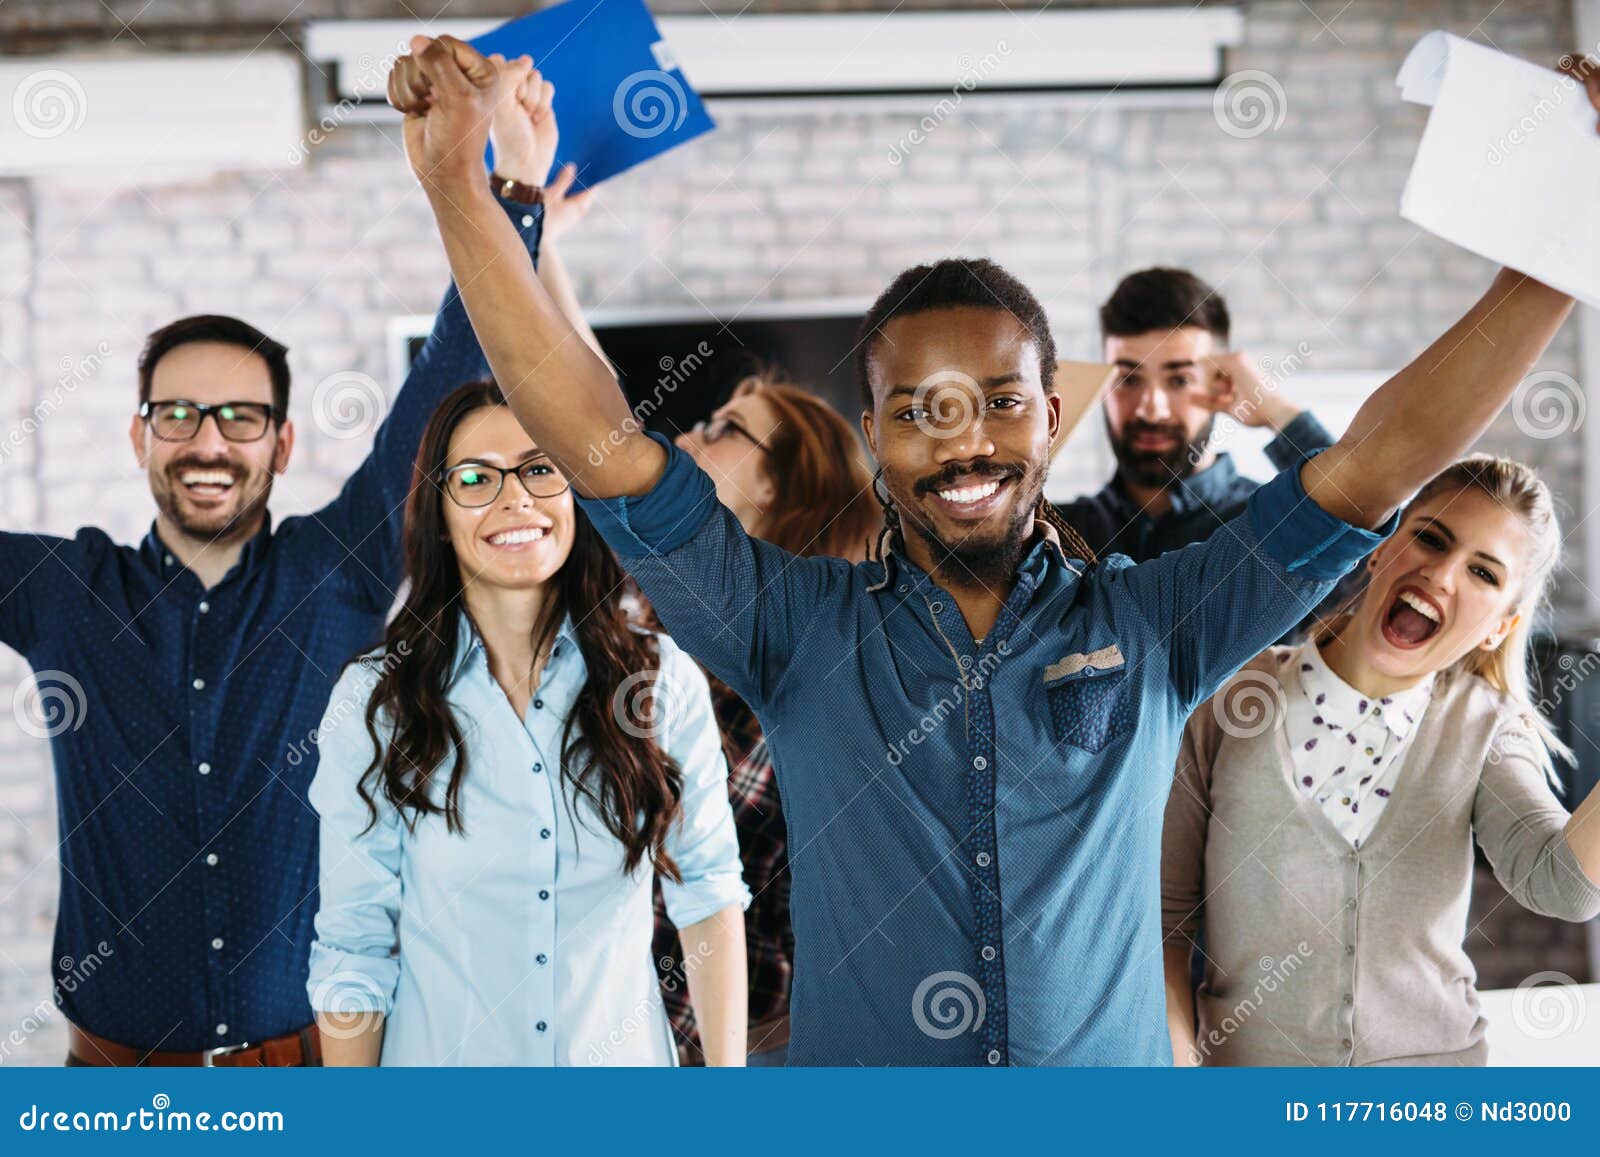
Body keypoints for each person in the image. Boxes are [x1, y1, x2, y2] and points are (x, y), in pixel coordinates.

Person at [389, 34, 1592, 1065]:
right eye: (919, 409)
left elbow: (1377, 460)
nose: (964, 439)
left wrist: (1561, 233)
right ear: (872, 437)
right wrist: (457, 188)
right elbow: (595, 437)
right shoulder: (791, 625)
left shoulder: (1154, 622)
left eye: (1000, 401)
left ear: (1051, 416)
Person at [0, 56, 567, 1066]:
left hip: (314, 1076)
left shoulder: (336, 568)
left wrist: (514, 187)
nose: (207, 442)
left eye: (240, 417)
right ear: (139, 438)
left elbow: (452, 370)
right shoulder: (62, 593)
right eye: (178, 415)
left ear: (282, 442)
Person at [305, 381, 749, 1066]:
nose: (515, 498)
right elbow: (353, 944)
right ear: (439, 516)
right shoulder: (376, 700)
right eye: (475, 478)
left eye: (540, 468)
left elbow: (710, 893)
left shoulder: (660, 682)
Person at [1162, 456, 1600, 1066]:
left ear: (1500, 628)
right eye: (1431, 538)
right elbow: (1166, 921)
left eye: (1483, 572)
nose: (1441, 574)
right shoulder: (1230, 698)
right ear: (1379, 548)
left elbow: (1563, 887)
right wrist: (1180, 1077)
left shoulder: (1487, 728)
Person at [650, 366, 880, 1066]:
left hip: (735, 1048)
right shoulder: (658, 624)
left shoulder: (803, 663)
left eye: (725, 430)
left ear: (783, 486)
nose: (685, 439)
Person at [1055, 267, 1334, 561]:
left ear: (1223, 383)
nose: (1151, 410)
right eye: (1129, 379)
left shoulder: (1276, 527)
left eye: (1179, 380)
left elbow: (1360, 543)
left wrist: (1278, 411)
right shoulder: (1052, 537)